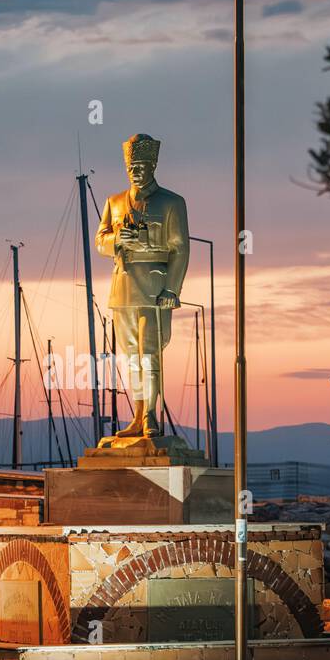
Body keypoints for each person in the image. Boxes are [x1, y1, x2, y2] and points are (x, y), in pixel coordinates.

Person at [95, 133, 190, 437]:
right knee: (130, 354)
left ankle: (150, 414)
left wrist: (172, 290)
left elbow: (180, 248)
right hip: (123, 287)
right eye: (130, 166)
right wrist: (115, 240)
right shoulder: (114, 202)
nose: (135, 171)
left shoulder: (172, 203)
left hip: (155, 287)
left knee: (150, 352)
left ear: (153, 165)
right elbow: (100, 241)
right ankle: (137, 414)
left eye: (140, 165)